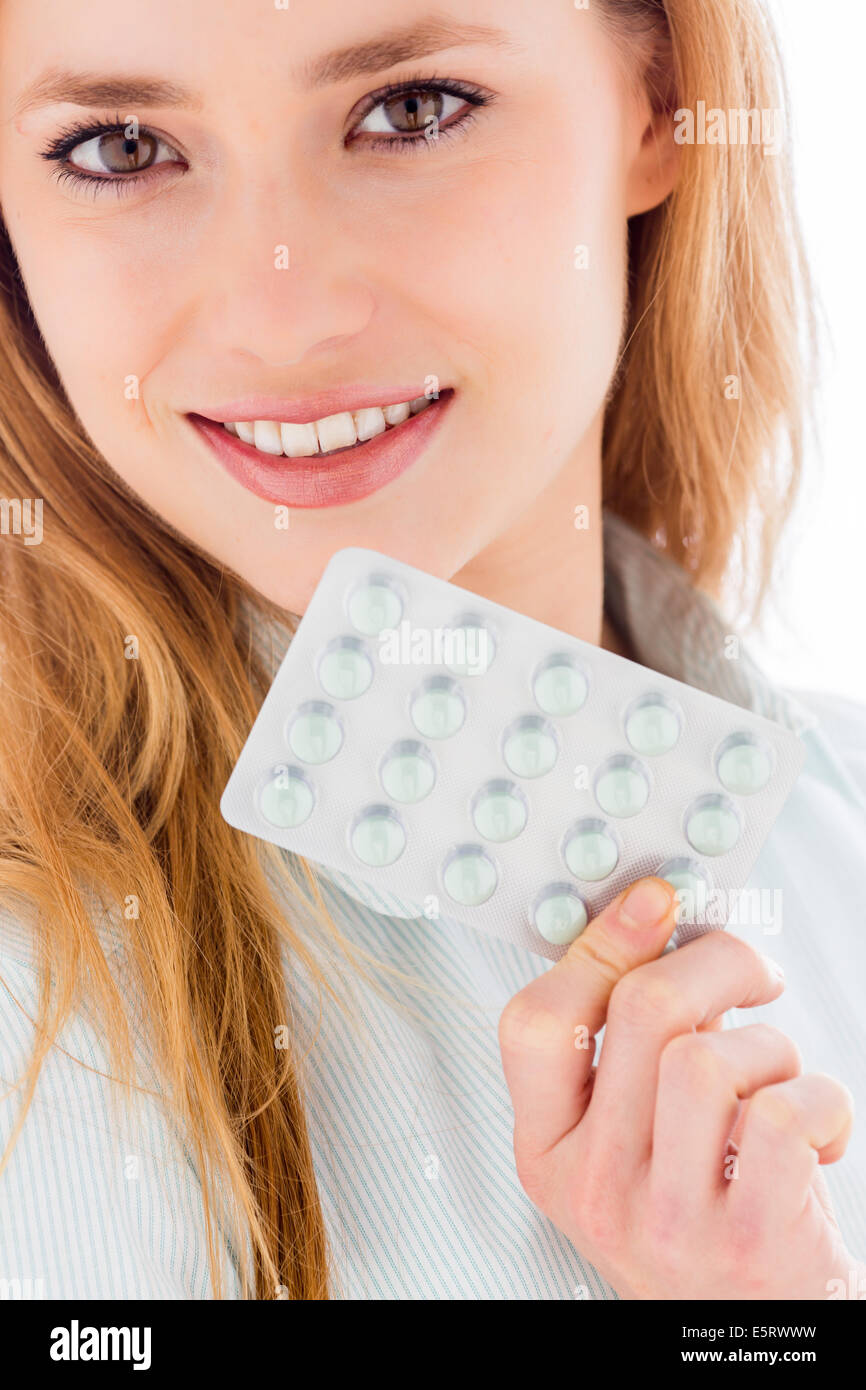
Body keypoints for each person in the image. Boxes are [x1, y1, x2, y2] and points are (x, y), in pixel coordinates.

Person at [0, 0, 863, 1299]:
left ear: (661, 99)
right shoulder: (32, 1004)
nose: (279, 316)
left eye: (409, 110)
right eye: (120, 146)